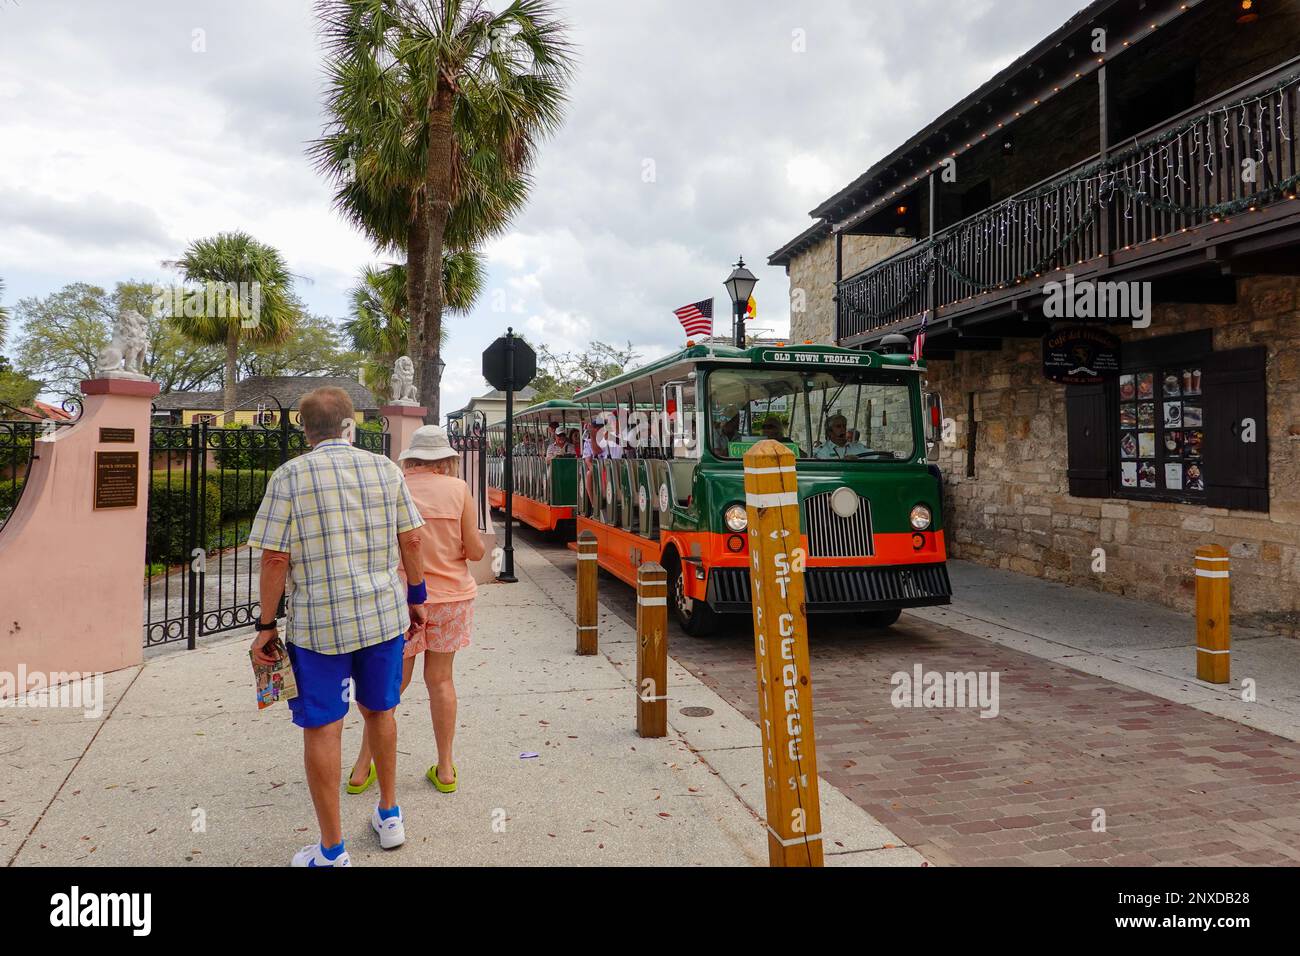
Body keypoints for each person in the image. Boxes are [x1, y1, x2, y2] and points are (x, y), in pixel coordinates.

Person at [248, 386, 427, 868]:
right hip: (381, 617)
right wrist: (417, 597)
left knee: (324, 727)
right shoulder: (385, 469)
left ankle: (332, 850)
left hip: (318, 627)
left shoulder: (289, 475)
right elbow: (411, 540)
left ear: (305, 431)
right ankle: (389, 816)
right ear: (352, 424)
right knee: (381, 712)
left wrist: (266, 625)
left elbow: (275, 557)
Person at [347, 426, 486, 801]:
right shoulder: (458, 490)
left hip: (403, 600)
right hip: (453, 598)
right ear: (445, 460)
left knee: (391, 685)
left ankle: (363, 767)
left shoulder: (394, 485)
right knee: (440, 680)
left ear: (411, 458)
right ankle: (444, 767)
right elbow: (474, 550)